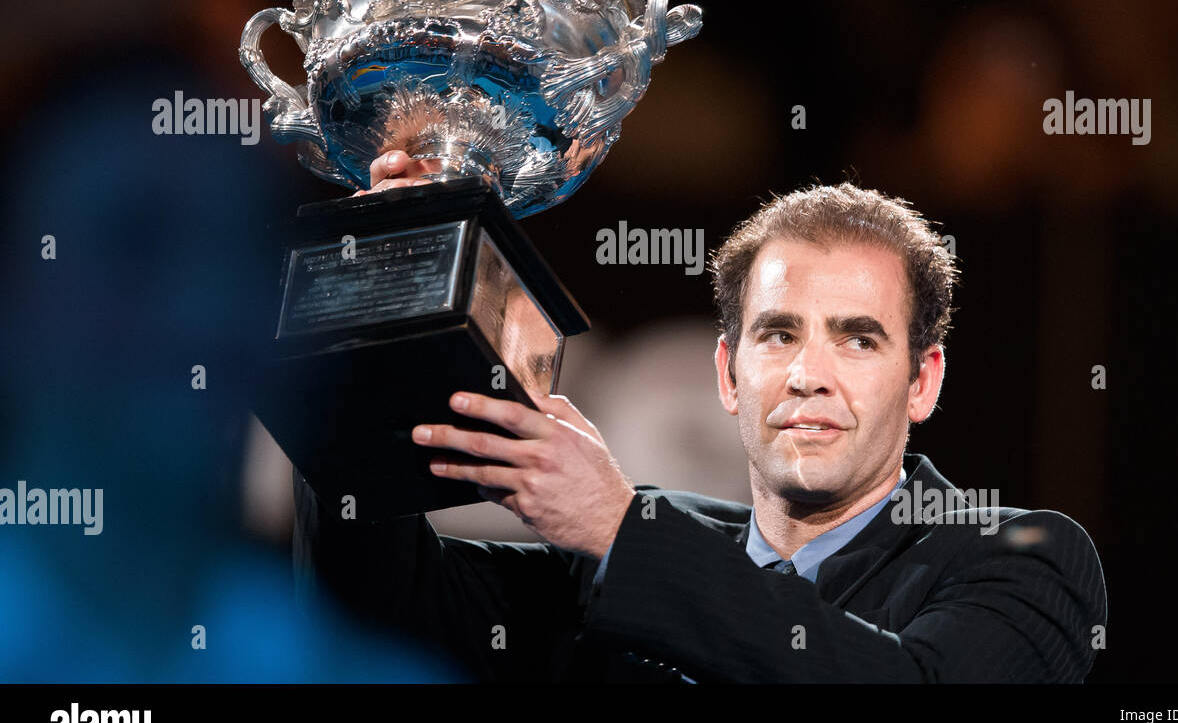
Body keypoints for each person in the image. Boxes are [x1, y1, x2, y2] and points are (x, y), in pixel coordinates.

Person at [293, 153, 1107, 682]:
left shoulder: (1022, 559)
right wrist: (385, 305)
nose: (808, 375)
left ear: (923, 381)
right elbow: (371, 602)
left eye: (858, 340)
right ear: (726, 372)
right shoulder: (608, 568)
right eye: (779, 333)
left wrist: (623, 531)